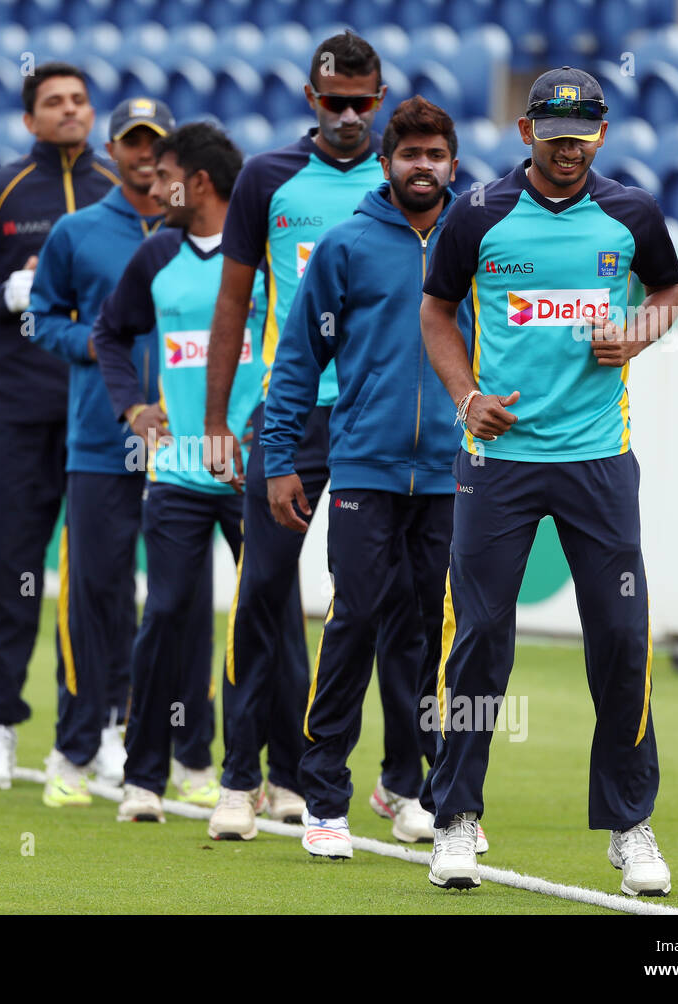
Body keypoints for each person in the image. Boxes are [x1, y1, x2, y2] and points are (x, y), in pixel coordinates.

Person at [419, 66, 678, 894]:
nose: (569, 148)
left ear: (601, 134)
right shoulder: (476, 214)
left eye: (584, 133)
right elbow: (435, 310)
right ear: (527, 130)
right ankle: (457, 817)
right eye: (554, 132)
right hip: (498, 464)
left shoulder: (633, 211)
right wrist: (466, 398)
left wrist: (636, 332)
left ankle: (630, 825)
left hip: (599, 459)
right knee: (478, 639)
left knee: (618, 634)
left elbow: (671, 290)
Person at [202, 30, 412, 837]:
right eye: (337, 103)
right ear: (310, 99)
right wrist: (219, 422)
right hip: (290, 413)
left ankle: (399, 781)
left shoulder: (408, 179)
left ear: (381, 99)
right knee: (261, 590)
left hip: (382, 416)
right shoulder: (266, 178)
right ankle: (238, 779)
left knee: (396, 603)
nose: (352, 117)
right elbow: (232, 303)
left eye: (366, 103)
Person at [260, 96, 472, 857]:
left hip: (451, 476)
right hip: (361, 468)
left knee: (428, 636)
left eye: (435, 154)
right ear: (388, 162)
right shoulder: (346, 246)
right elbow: (296, 362)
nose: (423, 166)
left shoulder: (476, 239)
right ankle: (324, 797)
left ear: (452, 162)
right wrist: (280, 458)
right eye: (409, 153)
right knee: (353, 621)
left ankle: (415, 788)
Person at [0, 62, 119, 789]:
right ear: (28, 119)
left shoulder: (118, 192)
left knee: (99, 581)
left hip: (105, 417)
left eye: (78, 100)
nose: (70, 111)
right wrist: (6, 293)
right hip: (15, 413)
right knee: (8, 574)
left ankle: (101, 729)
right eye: (53, 102)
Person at [93, 122, 264, 823]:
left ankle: (270, 777)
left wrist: (269, 432)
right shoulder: (156, 253)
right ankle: (142, 778)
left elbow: (308, 346)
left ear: (196, 182)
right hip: (177, 475)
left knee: (268, 620)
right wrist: (132, 407)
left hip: (257, 476)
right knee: (164, 614)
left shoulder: (265, 258)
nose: (150, 184)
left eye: (163, 173)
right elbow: (110, 332)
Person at [27, 97, 174, 805]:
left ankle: (159, 743)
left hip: (185, 441)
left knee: (174, 597)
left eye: (156, 142)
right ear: (112, 151)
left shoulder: (202, 233)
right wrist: (89, 342)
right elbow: (40, 317)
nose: (145, 153)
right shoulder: (76, 231)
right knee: (94, 591)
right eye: (133, 142)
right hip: (98, 434)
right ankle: (76, 746)